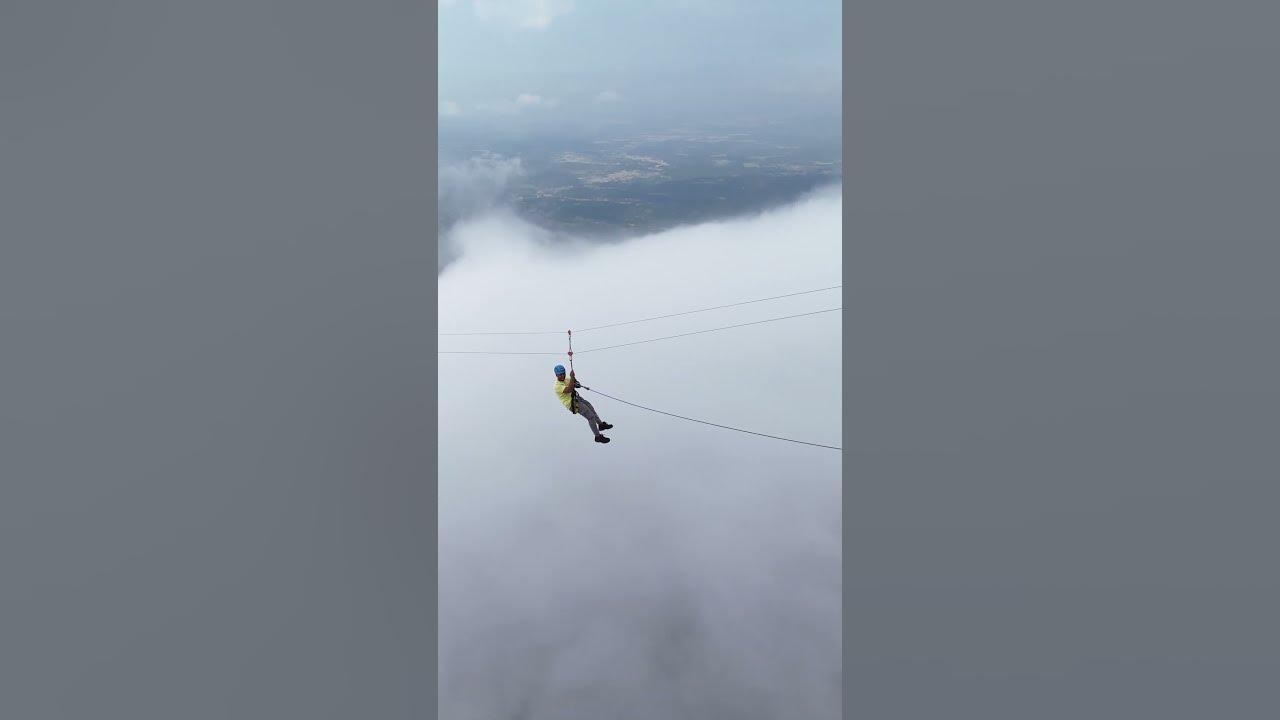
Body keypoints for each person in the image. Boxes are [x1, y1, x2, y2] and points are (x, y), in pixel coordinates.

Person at [553, 364, 613, 443]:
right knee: (590, 416)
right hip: (572, 404)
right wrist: (572, 378)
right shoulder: (557, 386)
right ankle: (598, 436)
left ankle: (601, 425)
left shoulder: (566, 379)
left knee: (591, 408)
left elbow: (574, 383)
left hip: (577, 398)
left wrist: (575, 381)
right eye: (560, 374)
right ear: (556, 375)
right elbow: (569, 389)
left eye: (563, 373)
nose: (562, 375)